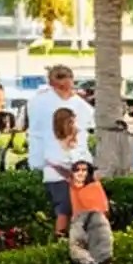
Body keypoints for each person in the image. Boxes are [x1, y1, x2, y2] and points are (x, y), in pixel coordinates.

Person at [27, 65, 94, 236]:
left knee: (75, 209)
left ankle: (72, 239)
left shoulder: (78, 104)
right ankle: (63, 239)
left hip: (71, 166)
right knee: (64, 208)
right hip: (56, 168)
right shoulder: (42, 103)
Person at [66, 159, 113, 264]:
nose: (80, 173)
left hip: (95, 217)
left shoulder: (94, 186)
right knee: (78, 247)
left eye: (84, 170)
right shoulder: (72, 186)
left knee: (101, 245)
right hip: (80, 219)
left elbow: (103, 206)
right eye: (77, 170)